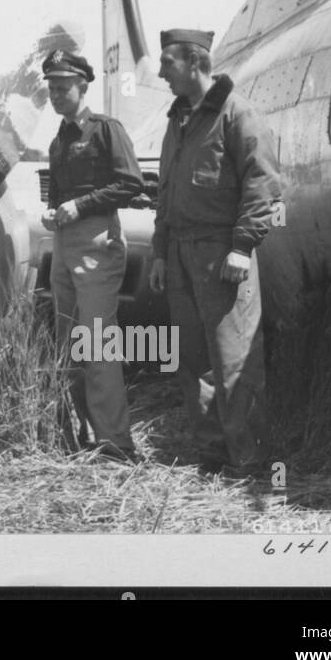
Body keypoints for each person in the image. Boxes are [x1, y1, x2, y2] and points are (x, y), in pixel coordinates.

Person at [147, 28, 282, 477]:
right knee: (193, 359)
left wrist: (242, 247)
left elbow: (262, 184)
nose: (161, 71)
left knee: (234, 358)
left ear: (194, 62)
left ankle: (249, 458)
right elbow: (165, 194)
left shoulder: (236, 113)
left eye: (168, 62)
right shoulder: (177, 121)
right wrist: (161, 252)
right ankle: (214, 454)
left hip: (223, 253)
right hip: (182, 254)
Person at [41, 48, 145, 462]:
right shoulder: (58, 140)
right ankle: (82, 433)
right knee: (68, 341)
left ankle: (115, 442)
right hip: (64, 243)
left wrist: (80, 207)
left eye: (63, 86)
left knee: (99, 342)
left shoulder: (105, 129)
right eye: (51, 87)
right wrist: (53, 212)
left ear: (83, 86)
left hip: (97, 241)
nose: (56, 93)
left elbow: (131, 183)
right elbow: (60, 194)